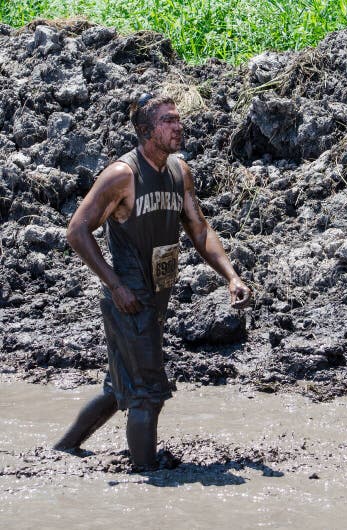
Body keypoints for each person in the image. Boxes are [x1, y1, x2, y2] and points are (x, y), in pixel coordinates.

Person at [54, 93, 252, 470]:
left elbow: (199, 228)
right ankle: (148, 478)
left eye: (178, 118)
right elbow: (77, 231)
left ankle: (63, 449)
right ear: (145, 131)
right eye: (168, 120)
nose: (178, 126)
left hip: (157, 294)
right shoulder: (122, 175)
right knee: (147, 394)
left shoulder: (179, 171)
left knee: (119, 388)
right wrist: (115, 285)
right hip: (129, 298)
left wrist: (231, 276)